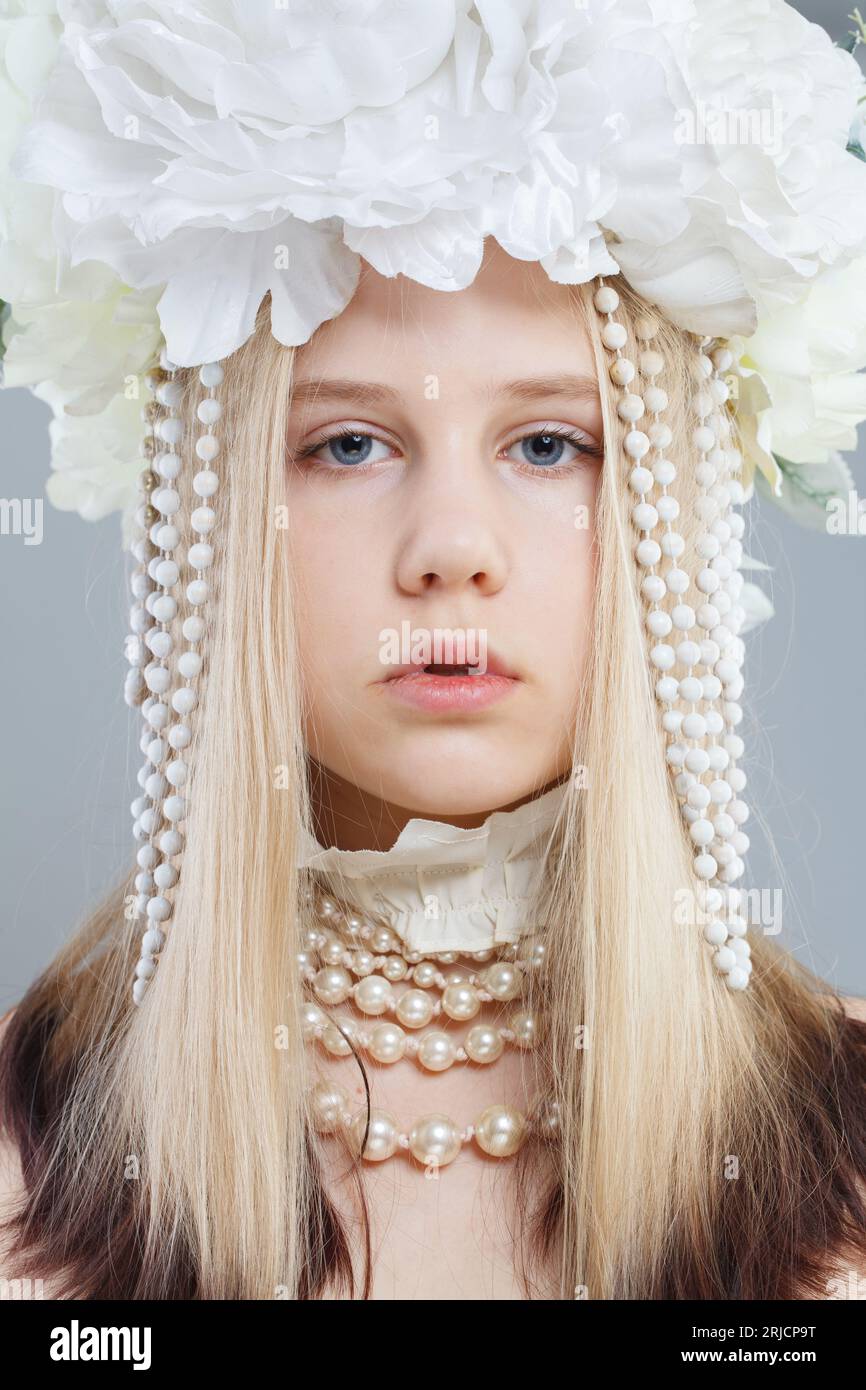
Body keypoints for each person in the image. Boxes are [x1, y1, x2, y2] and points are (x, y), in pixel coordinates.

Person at [1, 0, 866, 1301]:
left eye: (547, 444)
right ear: (219, 513)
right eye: (348, 443)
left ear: (668, 509)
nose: (451, 548)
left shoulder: (842, 1141)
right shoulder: (28, 1146)